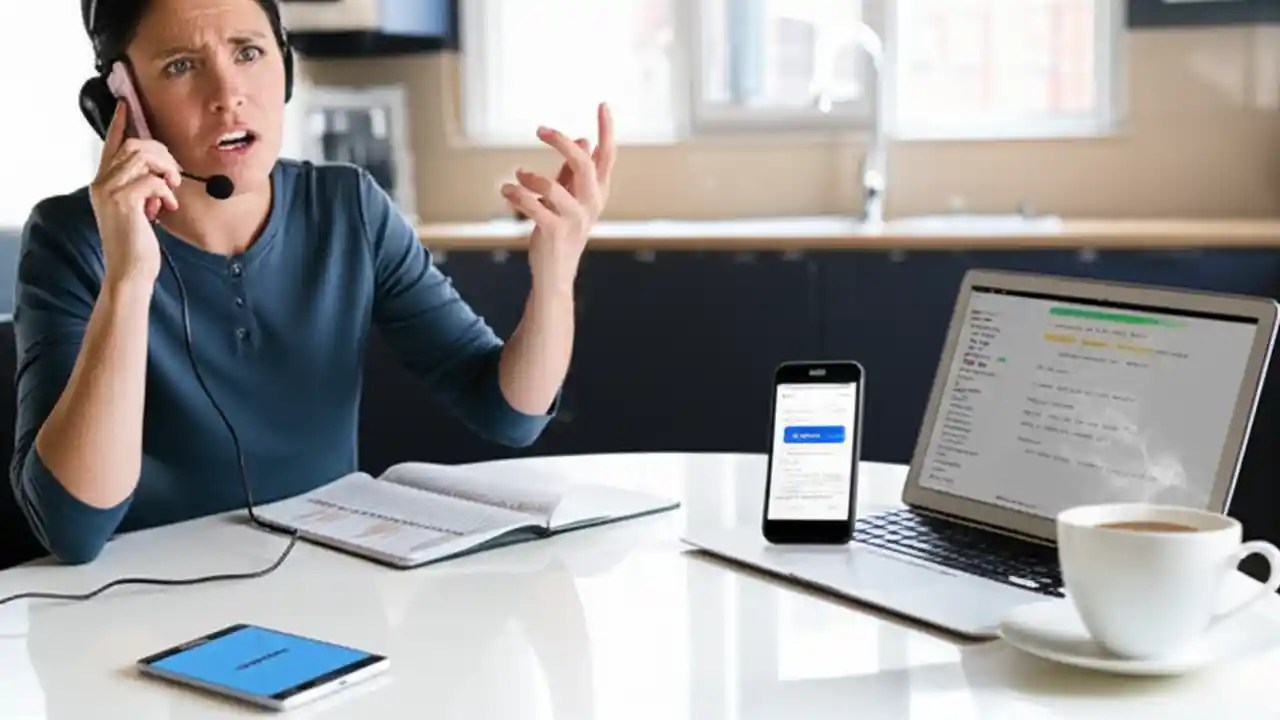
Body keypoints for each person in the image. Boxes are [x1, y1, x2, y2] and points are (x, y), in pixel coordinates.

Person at [9, 0, 615, 565]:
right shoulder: (71, 239)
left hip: (323, 590)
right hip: (134, 618)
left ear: (286, 68)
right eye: (182, 66)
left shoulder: (348, 207)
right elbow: (74, 528)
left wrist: (557, 271)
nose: (228, 95)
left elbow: (511, 414)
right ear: (121, 101)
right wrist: (130, 276)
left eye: (248, 53)